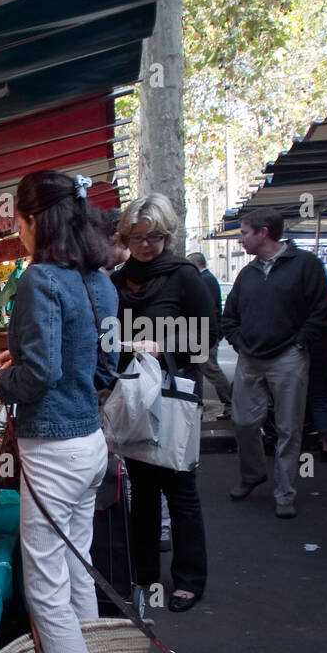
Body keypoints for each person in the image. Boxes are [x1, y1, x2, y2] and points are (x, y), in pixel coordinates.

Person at [0, 170, 116, 653]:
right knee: (78, 569)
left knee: (46, 589)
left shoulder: (40, 279)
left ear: (35, 219)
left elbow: (36, 376)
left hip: (54, 451)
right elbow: (102, 366)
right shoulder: (100, 282)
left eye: (16, 218)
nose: (16, 231)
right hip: (91, 443)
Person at [111, 197, 216, 613]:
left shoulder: (184, 276)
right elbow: (106, 334)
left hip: (173, 396)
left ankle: (190, 579)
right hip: (133, 397)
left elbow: (209, 335)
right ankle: (145, 574)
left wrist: (163, 345)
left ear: (167, 234)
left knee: (180, 487)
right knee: (143, 489)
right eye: (135, 237)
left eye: (153, 236)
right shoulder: (118, 280)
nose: (144, 245)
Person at [222, 211, 327, 518]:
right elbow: (230, 314)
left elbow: (324, 310)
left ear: (263, 233)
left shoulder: (305, 265)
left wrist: (301, 342)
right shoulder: (247, 274)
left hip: (288, 357)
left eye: (244, 232)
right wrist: (237, 339)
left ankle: (285, 492)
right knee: (244, 421)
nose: (240, 238)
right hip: (250, 357)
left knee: (289, 427)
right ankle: (253, 473)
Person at [186, 251, 234, 417]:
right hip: (203, 333)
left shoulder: (204, 280)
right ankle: (196, 401)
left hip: (204, 334)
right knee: (198, 368)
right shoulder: (208, 279)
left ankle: (230, 403)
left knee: (210, 370)